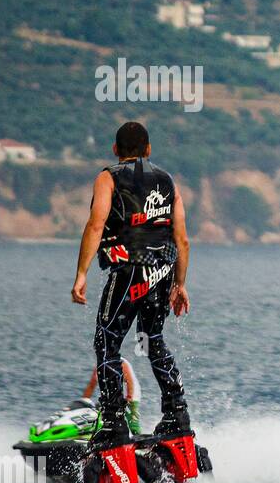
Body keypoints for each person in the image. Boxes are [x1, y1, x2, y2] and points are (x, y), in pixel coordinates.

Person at [70, 121, 194, 447]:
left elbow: (96, 224)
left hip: (128, 271)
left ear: (115, 150)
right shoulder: (168, 182)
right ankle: (176, 416)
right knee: (153, 339)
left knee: (107, 341)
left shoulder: (108, 177)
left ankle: (113, 422)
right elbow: (181, 240)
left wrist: (81, 274)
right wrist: (179, 284)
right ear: (149, 150)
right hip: (161, 273)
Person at [83, 357, 141, 434]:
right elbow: (91, 385)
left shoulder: (119, 362)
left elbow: (129, 381)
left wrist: (129, 399)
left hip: (131, 393)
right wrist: (83, 402)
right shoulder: (99, 366)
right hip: (114, 394)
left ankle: (138, 437)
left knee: (132, 422)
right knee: (102, 415)